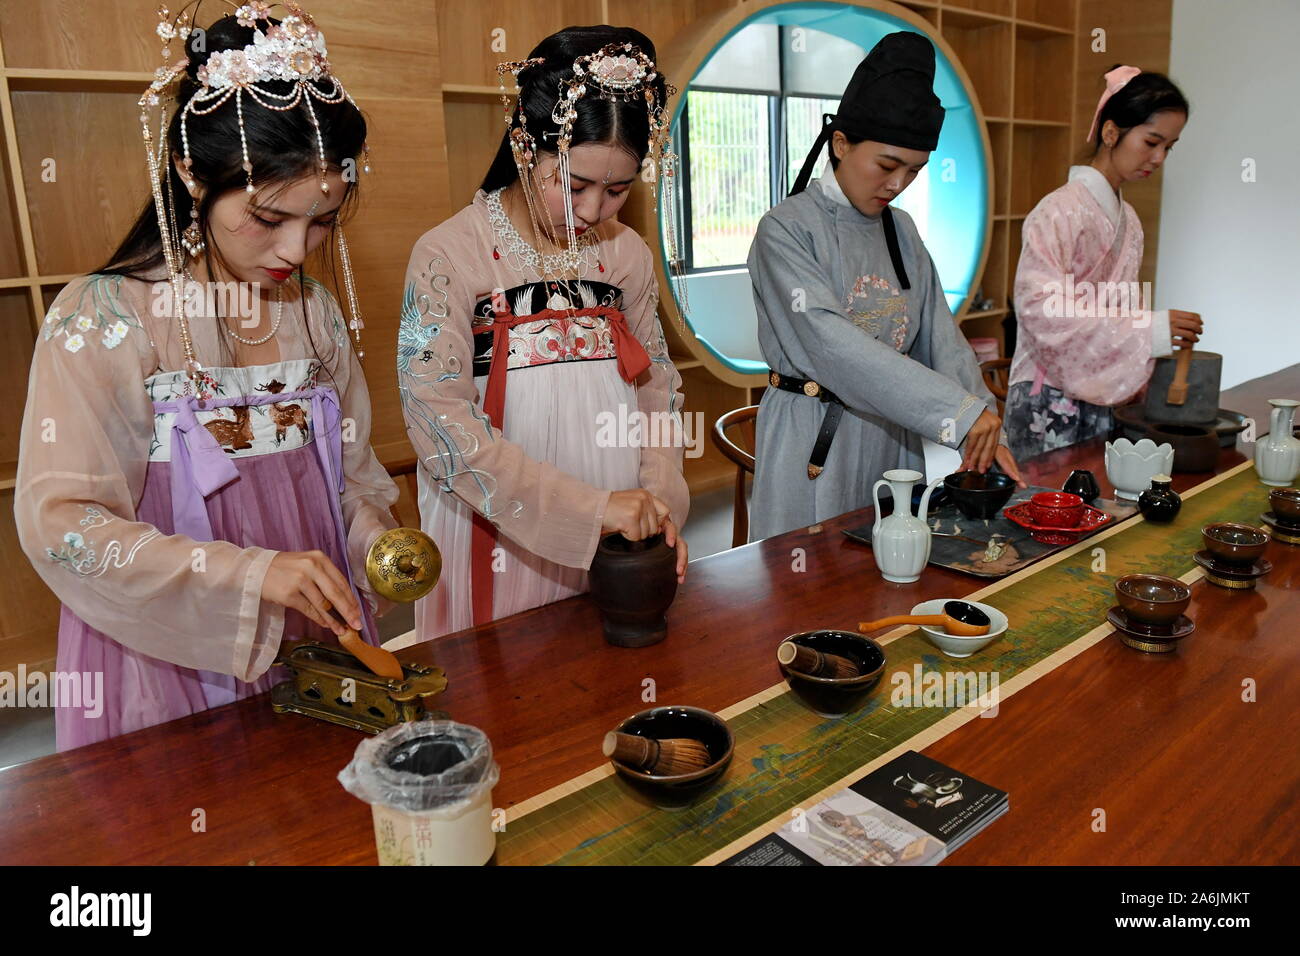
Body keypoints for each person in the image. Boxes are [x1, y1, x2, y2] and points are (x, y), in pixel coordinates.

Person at [14, 5, 398, 750]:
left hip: (316, 631)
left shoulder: (313, 313)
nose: (295, 249)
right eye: (267, 216)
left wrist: (370, 534)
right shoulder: (104, 317)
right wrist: (248, 575)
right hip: (170, 648)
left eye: (322, 222)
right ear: (193, 175)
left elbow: (351, 474)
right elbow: (60, 523)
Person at [399, 26, 690, 641]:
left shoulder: (626, 255)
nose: (591, 211)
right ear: (524, 146)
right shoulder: (452, 254)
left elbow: (655, 387)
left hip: (619, 515)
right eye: (574, 184)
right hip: (498, 516)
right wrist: (585, 511)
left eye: (617, 190)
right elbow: (436, 418)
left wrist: (659, 495)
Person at [748, 31, 1018, 541]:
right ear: (841, 143)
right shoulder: (785, 229)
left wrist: (981, 418)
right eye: (888, 165)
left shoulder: (903, 229)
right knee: (804, 587)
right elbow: (830, 346)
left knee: (885, 573)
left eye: (914, 171)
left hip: (892, 436)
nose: (897, 185)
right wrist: (956, 413)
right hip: (816, 437)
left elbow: (941, 337)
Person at [1005, 66, 1202, 461]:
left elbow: (1120, 308)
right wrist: (1151, 330)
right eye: (1151, 141)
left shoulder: (1128, 220)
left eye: (1169, 147)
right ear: (1111, 133)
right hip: (1048, 396)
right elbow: (1039, 310)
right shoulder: (1058, 211)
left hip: (1106, 394)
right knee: (1049, 513)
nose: (1159, 157)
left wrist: (1148, 331)